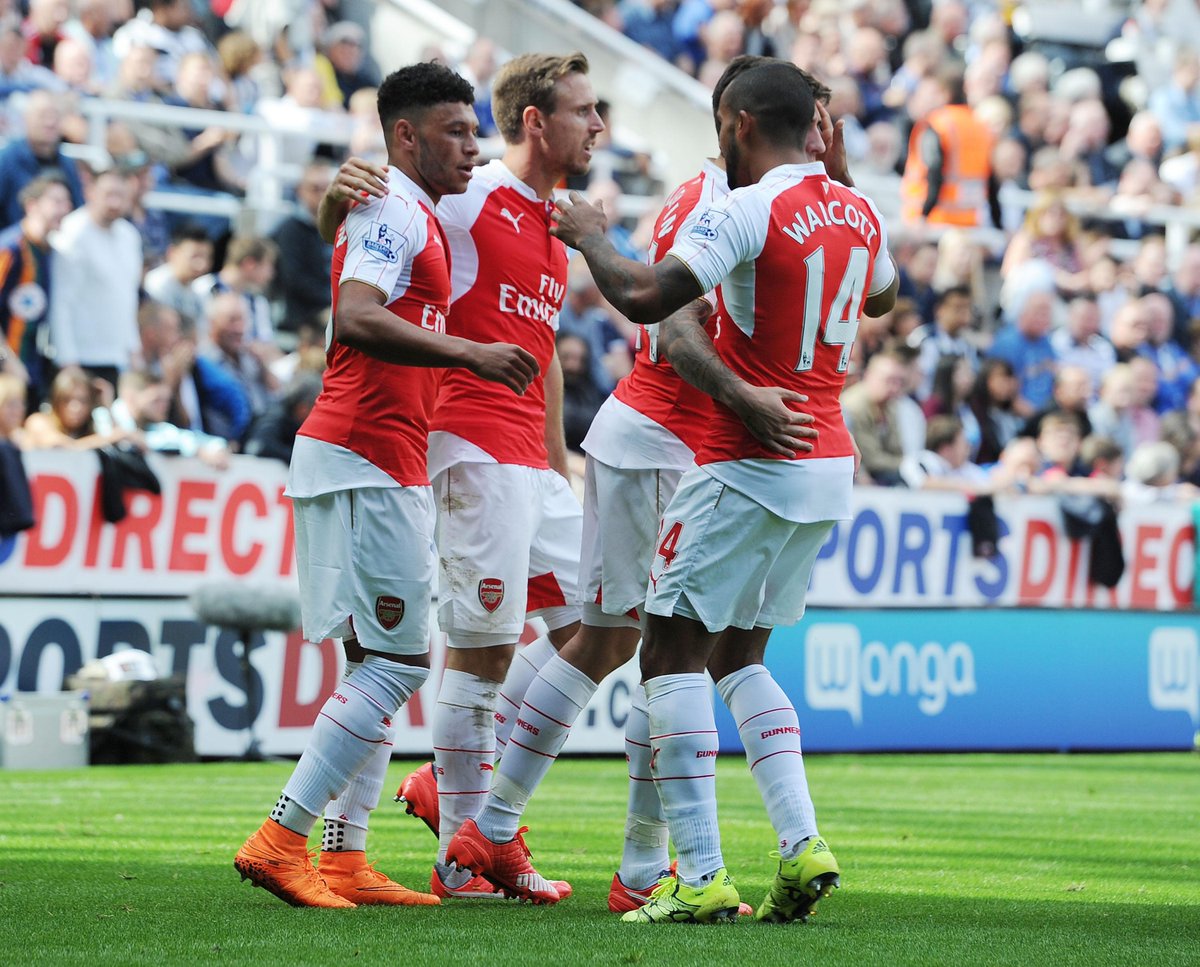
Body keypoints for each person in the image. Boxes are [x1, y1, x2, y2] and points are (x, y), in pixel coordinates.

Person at [550, 61, 897, 923]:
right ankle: (800, 843)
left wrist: (592, 231)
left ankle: (699, 874)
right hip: (826, 459)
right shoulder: (859, 209)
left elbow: (642, 295)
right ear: (814, 126)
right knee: (741, 655)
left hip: (746, 454)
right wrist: (844, 180)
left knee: (668, 652)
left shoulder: (747, 207)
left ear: (739, 124)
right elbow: (884, 295)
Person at [233, 61, 538, 911]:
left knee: (374, 657)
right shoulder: (393, 207)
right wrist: (471, 353)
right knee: (401, 661)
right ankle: (281, 835)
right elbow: (357, 315)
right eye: (456, 130)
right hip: (367, 451)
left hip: (376, 453)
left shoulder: (416, 213)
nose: (474, 146)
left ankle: (343, 854)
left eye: (477, 130)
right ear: (404, 136)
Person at [321, 51, 604, 905]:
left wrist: (561, 467)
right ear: (536, 121)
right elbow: (372, 231)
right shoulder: (466, 192)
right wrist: (332, 200)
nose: (597, 128)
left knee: (606, 619)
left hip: (533, 464)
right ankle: (464, 853)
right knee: (479, 658)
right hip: (469, 447)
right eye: (585, 111)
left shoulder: (554, 222)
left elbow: (545, 354)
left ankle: (460, 796)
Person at [47, 164, 142, 390]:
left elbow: (128, 296)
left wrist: (133, 346)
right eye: (108, 195)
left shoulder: (130, 236)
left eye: (120, 195)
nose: (115, 203)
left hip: (117, 356)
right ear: (90, 192)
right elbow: (61, 301)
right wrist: (67, 360)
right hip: (80, 357)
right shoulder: (72, 233)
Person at [0, 172, 73, 407]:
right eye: (57, 201)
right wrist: (6, 359)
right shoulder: (10, 249)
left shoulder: (50, 253)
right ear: (32, 205)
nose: (65, 209)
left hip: (31, 368)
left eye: (68, 202)